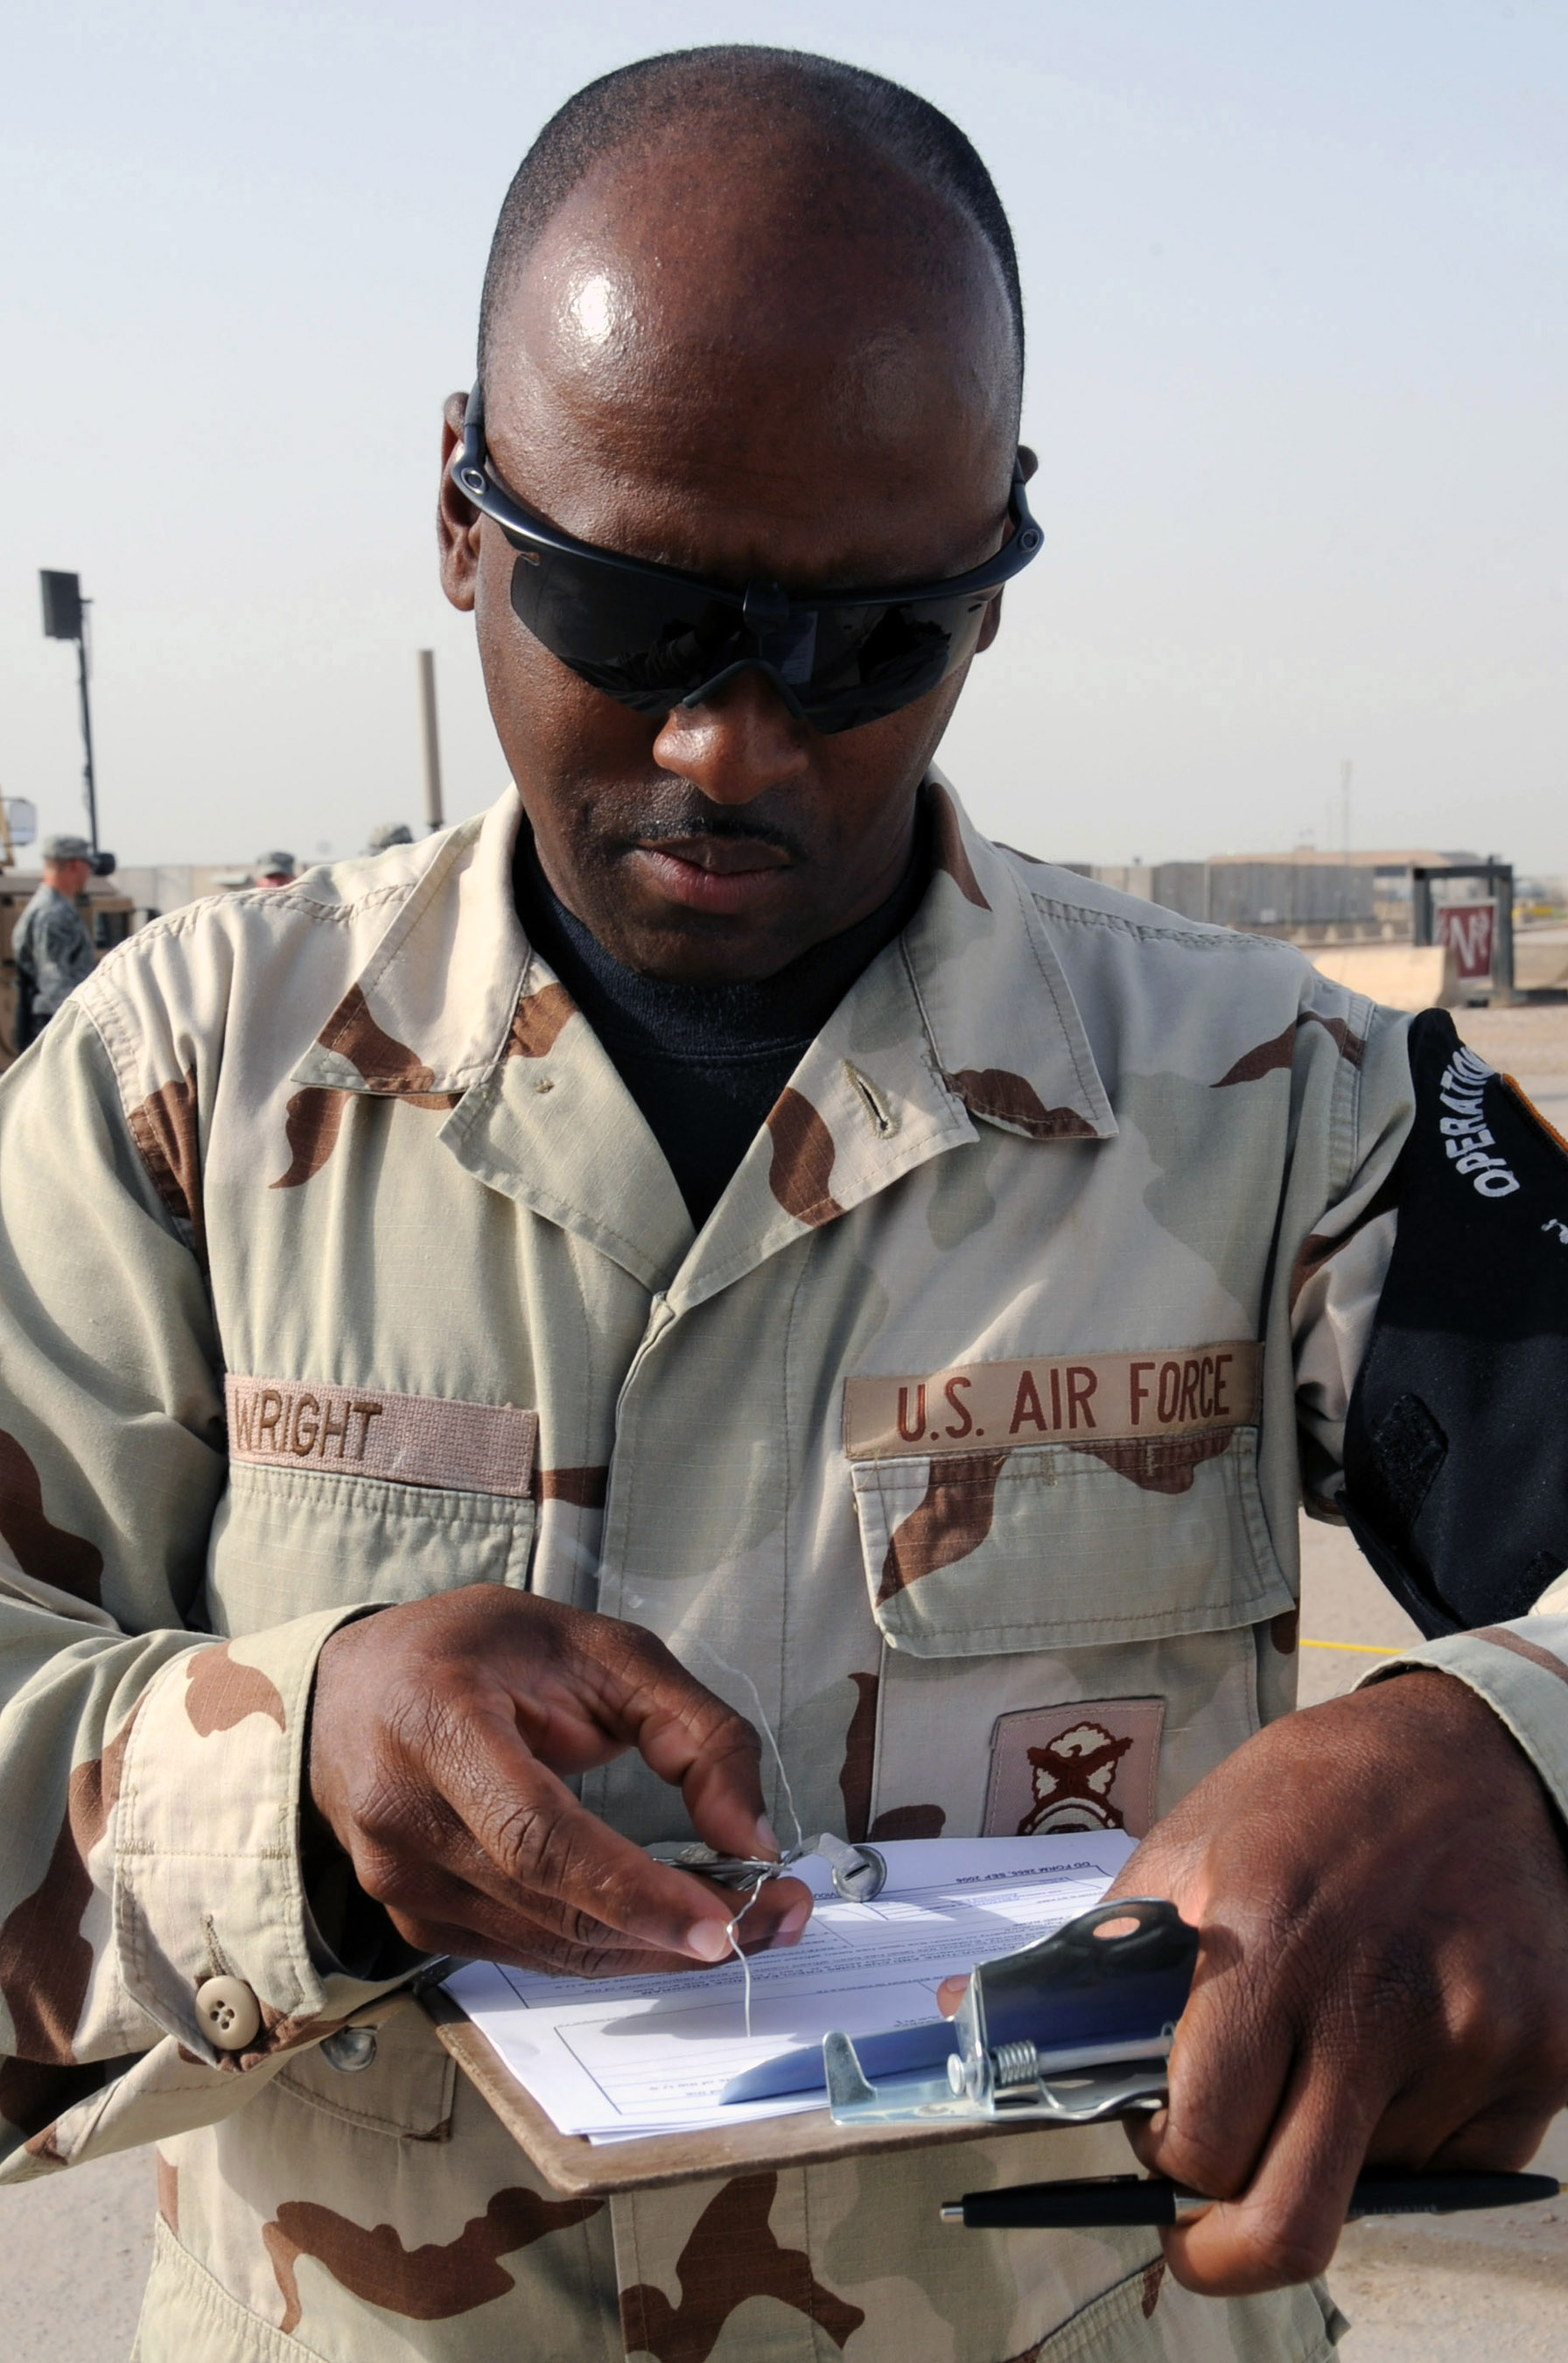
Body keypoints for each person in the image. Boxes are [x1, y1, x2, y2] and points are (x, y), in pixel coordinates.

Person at [1, 46, 1566, 2363]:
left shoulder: (1284, 1099)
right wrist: (287, 1775)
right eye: (633, 615)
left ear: (1001, 566)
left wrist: (1511, 1756)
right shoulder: (185, 1085)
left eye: (873, 642)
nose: (738, 744)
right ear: (459, 508)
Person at [10, 831, 97, 1047]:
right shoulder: (53, 913)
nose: (89, 874)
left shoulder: (54, 907)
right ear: (75, 866)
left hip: (55, 1023)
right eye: (87, 866)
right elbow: (55, 982)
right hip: (56, 1026)